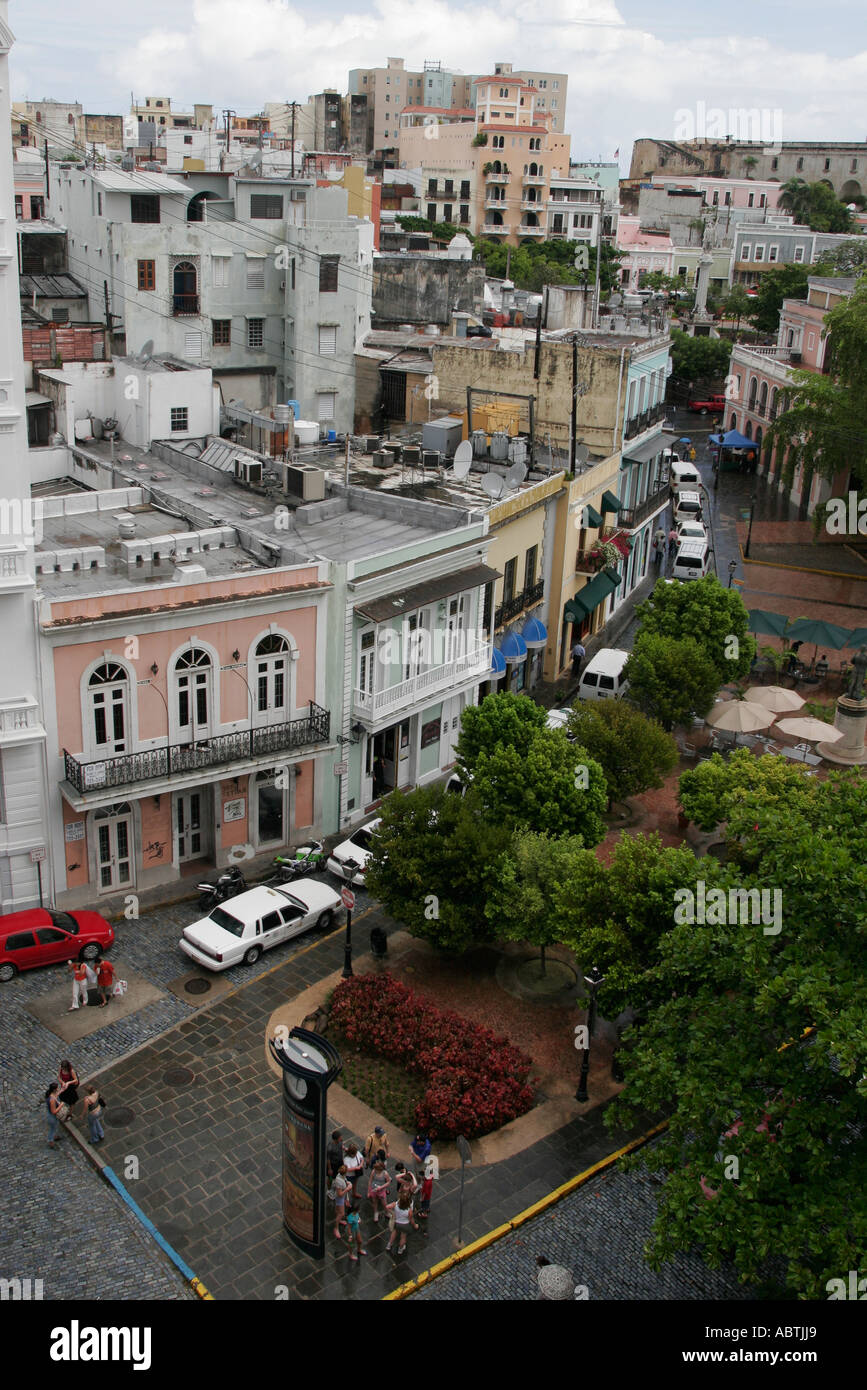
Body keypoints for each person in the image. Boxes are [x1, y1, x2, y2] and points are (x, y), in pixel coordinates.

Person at [386, 1191, 418, 1256]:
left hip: (397, 1223)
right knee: (403, 1237)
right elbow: (411, 1219)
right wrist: (415, 1225)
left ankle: (389, 1245)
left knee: (394, 1233)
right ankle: (400, 1249)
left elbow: (387, 1207)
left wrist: (392, 1213)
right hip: (405, 1225)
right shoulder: (409, 1211)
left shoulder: (395, 1204)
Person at [330, 1165, 349, 1240]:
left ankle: (339, 1220)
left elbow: (345, 1181)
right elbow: (340, 1194)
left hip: (341, 1197)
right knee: (341, 1213)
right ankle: (336, 1228)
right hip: (339, 1198)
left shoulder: (341, 1176)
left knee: (338, 1210)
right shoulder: (339, 1181)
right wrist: (348, 1188)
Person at [45, 1083, 64, 1148]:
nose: (58, 1089)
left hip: (50, 1114)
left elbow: (55, 1095)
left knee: (55, 1127)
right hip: (52, 1117)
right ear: (54, 1089)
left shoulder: (49, 1094)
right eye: (57, 1088)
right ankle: (51, 1141)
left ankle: (54, 1137)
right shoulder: (52, 1100)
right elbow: (54, 1111)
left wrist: (61, 1090)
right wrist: (61, 1105)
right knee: (53, 1129)